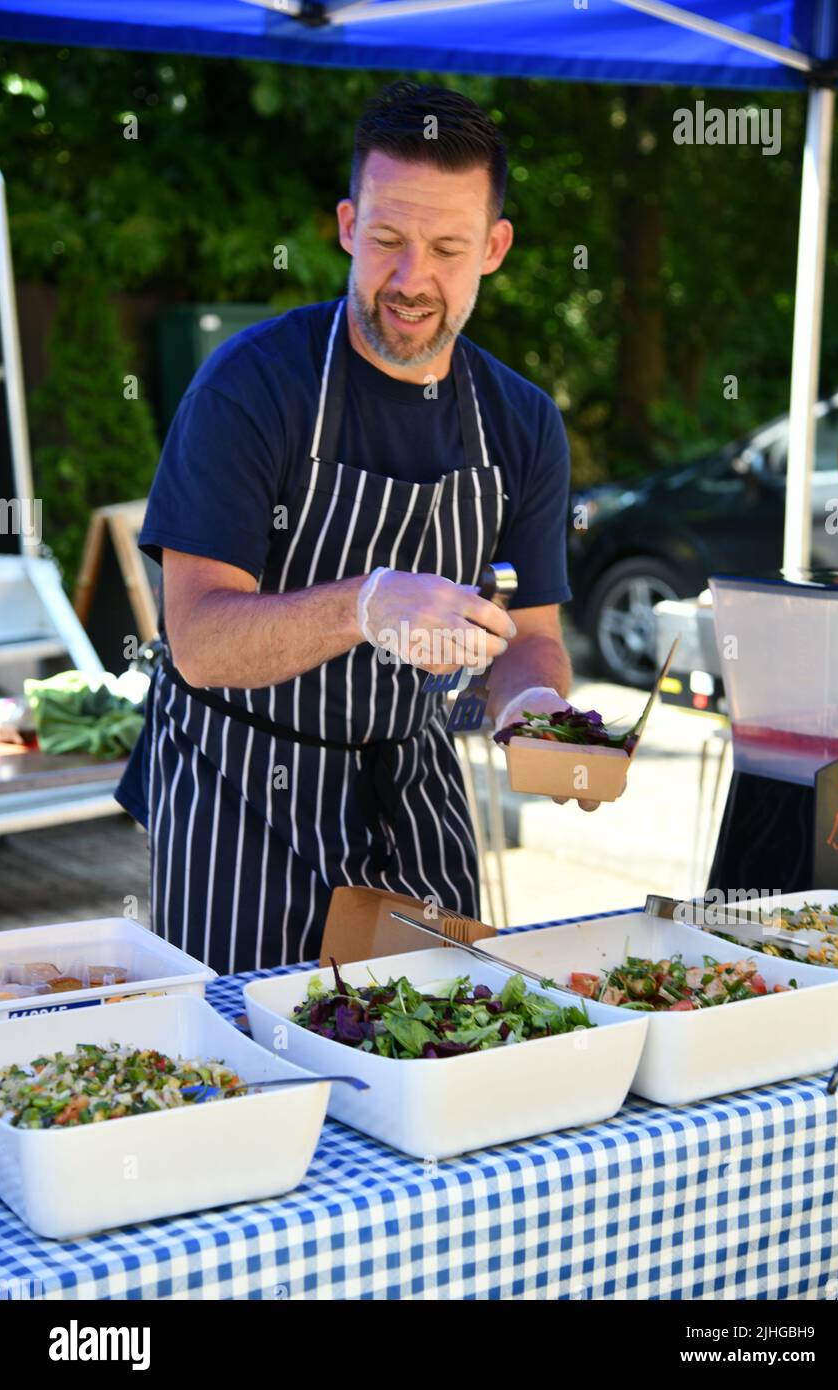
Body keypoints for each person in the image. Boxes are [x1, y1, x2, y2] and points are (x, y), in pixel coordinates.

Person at [117, 80, 596, 973]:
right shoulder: (251, 387)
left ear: (494, 248)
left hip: (409, 785)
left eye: (448, 248)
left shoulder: (521, 423)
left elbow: (532, 637)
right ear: (346, 226)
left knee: (441, 1049)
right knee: (251, 1077)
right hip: (240, 793)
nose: (412, 280)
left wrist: (538, 713)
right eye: (386, 241)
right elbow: (202, 641)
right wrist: (366, 606)